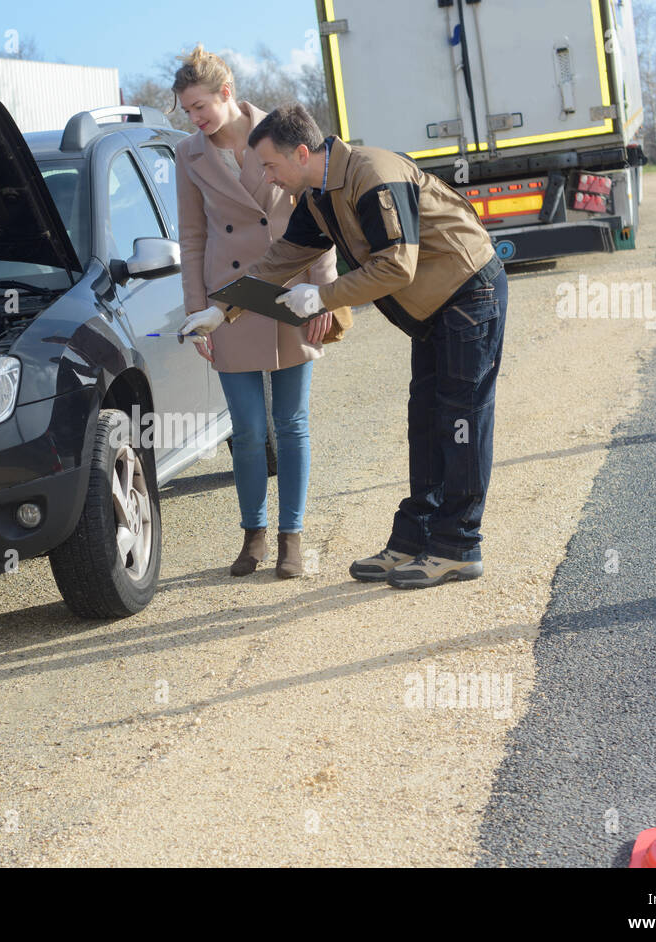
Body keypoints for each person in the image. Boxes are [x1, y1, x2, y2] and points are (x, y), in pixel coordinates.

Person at [181, 104, 507, 589]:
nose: (268, 179)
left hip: (468, 294)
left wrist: (324, 296)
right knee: (425, 419)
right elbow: (279, 261)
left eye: (271, 166)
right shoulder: (315, 196)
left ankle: (459, 546)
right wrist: (221, 309)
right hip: (435, 307)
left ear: (303, 153)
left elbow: (398, 267)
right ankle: (416, 536)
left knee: (459, 418)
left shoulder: (374, 176)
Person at [171, 46, 352, 579]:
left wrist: (326, 293)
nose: (195, 118)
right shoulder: (188, 155)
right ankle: (254, 534)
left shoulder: (276, 132)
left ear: (226, 93)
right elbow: (193, 235)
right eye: (187, 111)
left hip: (292, 287)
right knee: (248, 431)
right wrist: (196, 312)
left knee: (291, 423)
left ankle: (292, 538)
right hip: (229, 298)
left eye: (200, 105)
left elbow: (316, 210)